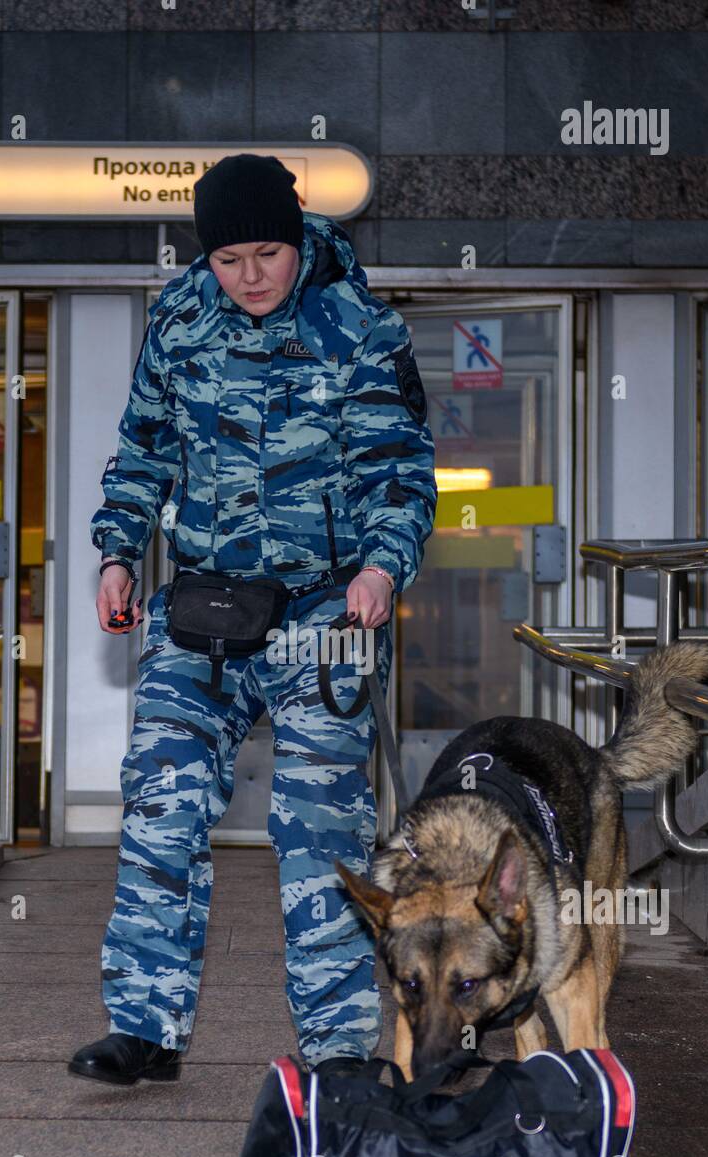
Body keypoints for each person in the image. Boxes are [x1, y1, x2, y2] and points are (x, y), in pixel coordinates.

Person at [68, 153, 437, 1086]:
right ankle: (144, 1030)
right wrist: (117, 551)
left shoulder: (357, 324)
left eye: (267, 252)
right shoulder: (180, 317)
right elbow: (143, 448)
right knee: (161, 808)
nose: (250, 276)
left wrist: (383, 568)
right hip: (202, 604)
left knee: (319, 833)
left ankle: (343, 1053)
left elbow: (401, 470)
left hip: (324, 609)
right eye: (229, 258)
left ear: (295, 234)